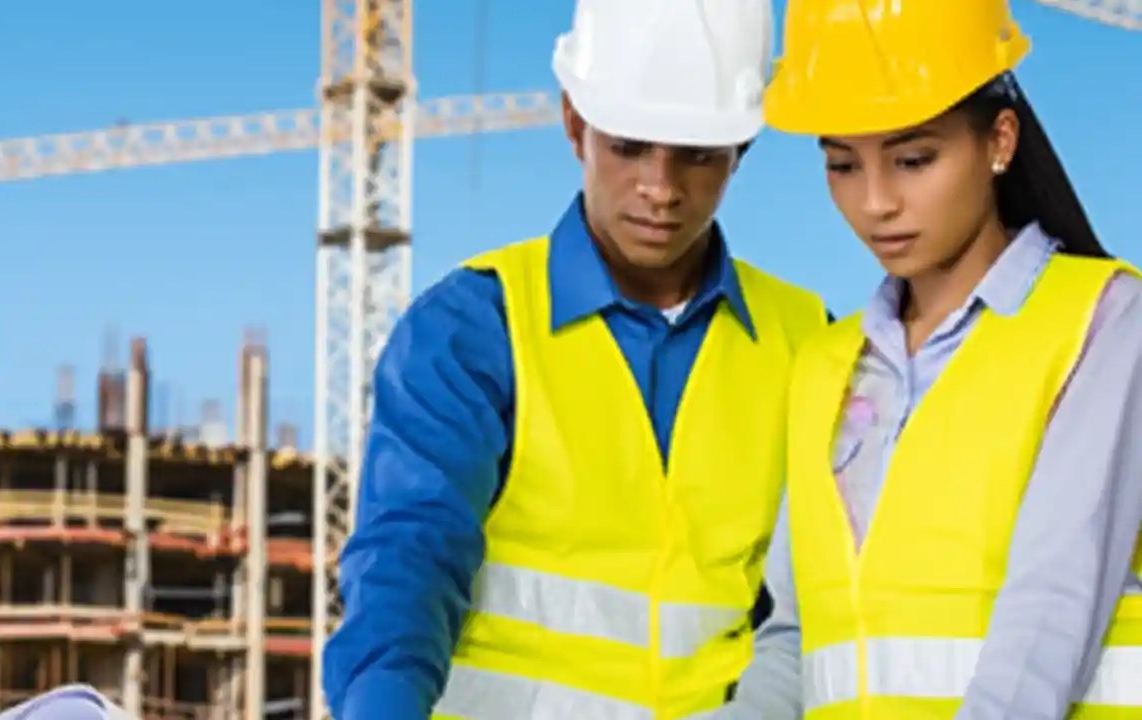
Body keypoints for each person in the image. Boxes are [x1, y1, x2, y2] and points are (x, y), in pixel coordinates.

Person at [320, 1, 830, 718]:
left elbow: (819, 612)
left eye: (698, 154)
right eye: (629, 146)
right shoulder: (473, 330)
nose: (661, 187)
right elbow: (409, 563)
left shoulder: (807, 341)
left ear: (741, 147)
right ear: (574, 122)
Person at [716, 0, 1142, 718]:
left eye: (914, 160)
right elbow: (796, 640)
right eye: (843, 165)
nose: (876, 202)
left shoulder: (1105, 322)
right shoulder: (824, 366)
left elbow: (1052, 609)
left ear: (1000, 140)